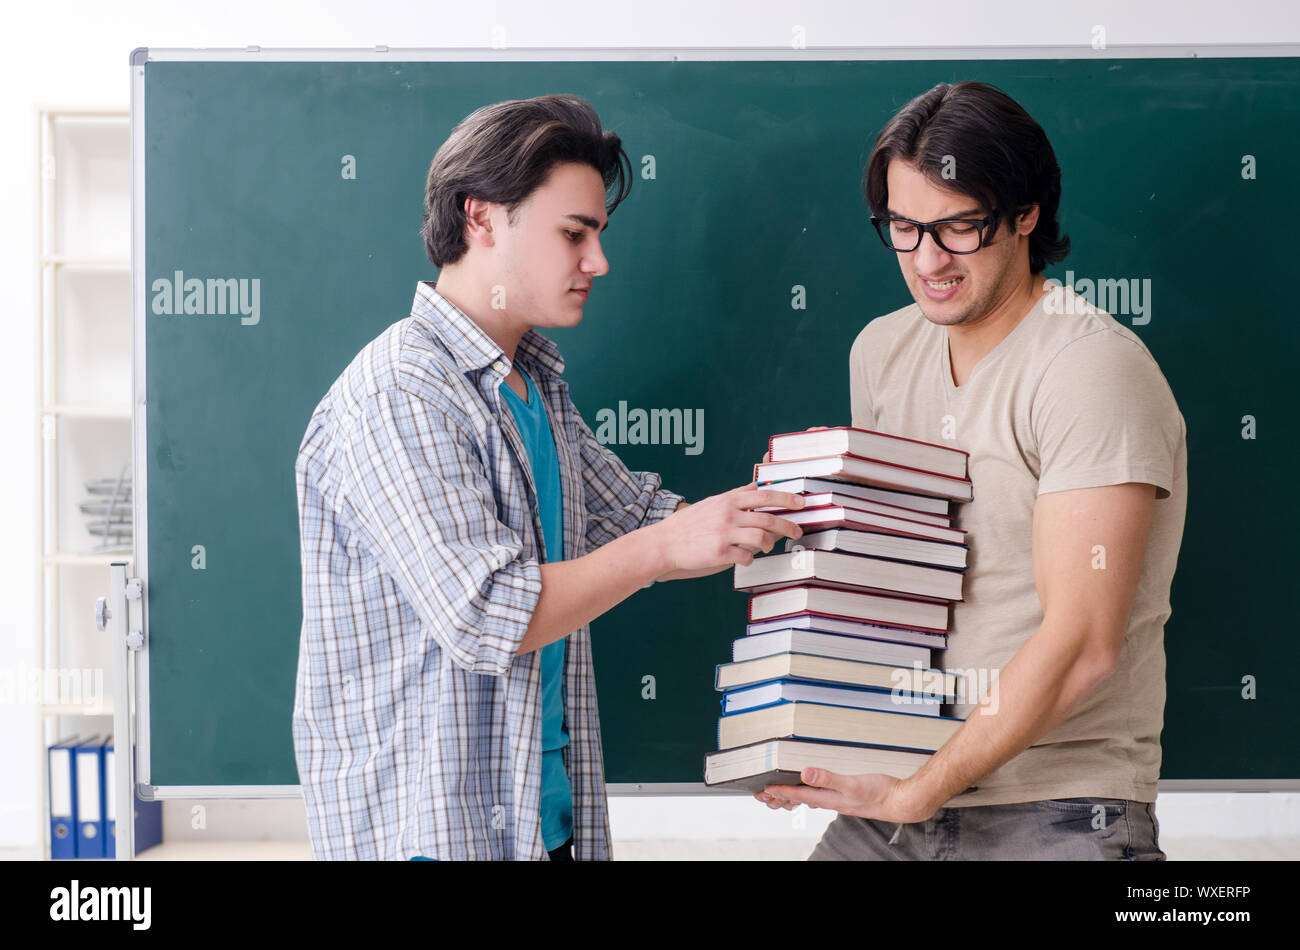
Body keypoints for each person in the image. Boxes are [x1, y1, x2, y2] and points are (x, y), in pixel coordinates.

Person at [291, 94, 803, 860]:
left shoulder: (531, 385)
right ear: (482, 219)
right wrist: (668, 546)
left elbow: (643, 516)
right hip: (435, 837)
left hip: (542, 825)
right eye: (575, 234)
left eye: (598, 235)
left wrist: (823, 527)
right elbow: (487, 611)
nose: (598, 262)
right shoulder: (402, 392)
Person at [758, 81, 1187, 861]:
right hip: (897, 787)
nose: (927, 260)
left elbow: (1084, 643)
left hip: (1059, 803)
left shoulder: (1089, 368)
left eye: (958, 227)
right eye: (903, 228)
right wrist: (815, 733)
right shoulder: (881, 352)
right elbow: (889, 589)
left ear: (1025, 214)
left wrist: (922, 789)